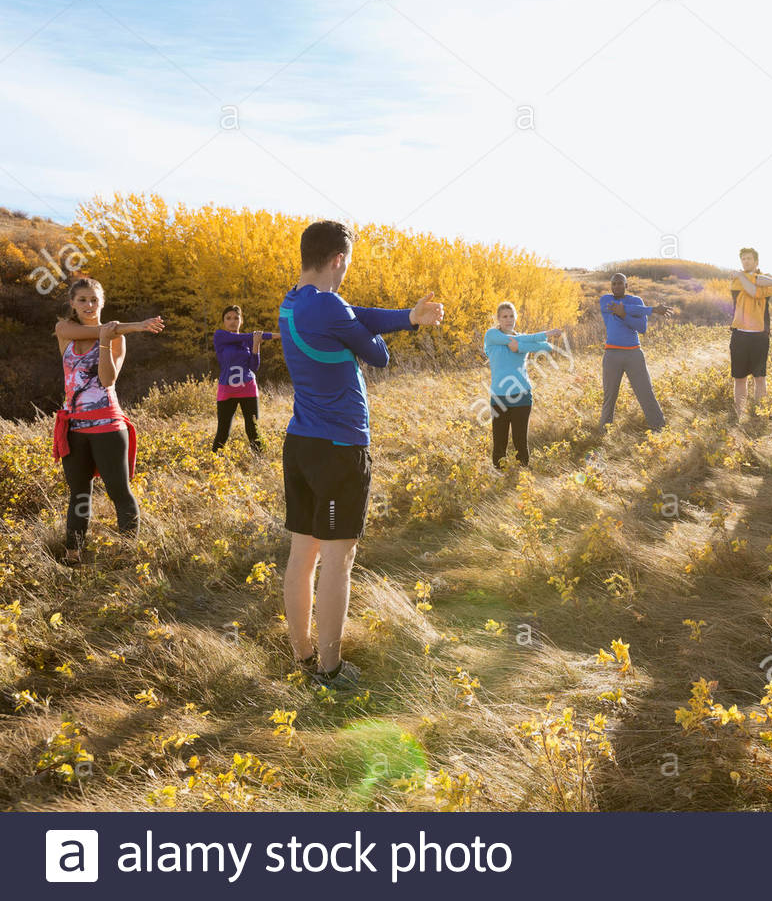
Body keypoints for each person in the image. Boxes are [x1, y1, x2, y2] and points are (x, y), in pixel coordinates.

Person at [279, 220, 444, 687]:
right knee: (338, 558)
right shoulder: (330, 306)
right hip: (339, 448)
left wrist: (407, 317)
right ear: (338, 259)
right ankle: (330, 670)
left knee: (302, 555)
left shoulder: (293, 302)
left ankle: (303, 657)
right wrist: (386, 333)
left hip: (302, 444)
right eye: (347, 261)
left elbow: (355, 313)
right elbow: (378, 355)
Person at [51, 277, 164, 564]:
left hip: (108, 426)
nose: (89, 305)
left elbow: (107, 380)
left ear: (102, 302)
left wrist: (106, 341)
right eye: (82, 300)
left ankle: (127, 553)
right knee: (79, 494)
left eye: (94, 300)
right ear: (72, 304)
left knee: (119, 492)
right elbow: (89, 330)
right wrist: (136, 325)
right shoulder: (64, 329)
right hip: (74, 427)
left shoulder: (116, 338)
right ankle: (73, 553)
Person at [483, 301, 561, 467]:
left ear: (516, 317)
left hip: (522, 396)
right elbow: (512, 340)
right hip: (499, 398)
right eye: (504, 316)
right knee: (499, 441)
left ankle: (522, 476)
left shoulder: (521, 339)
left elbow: (547, 346)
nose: (508, 320)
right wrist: (545, 333)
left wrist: (519, 347)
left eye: (512, 316)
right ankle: (499, 474)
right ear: (498, 318)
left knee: (520, 440)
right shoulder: (491, 336)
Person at [598, 272, 672, 432]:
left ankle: (659, 430)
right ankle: (603, 433)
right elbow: (628, 310)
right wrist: (651, 310)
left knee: (646, 393)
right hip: (612, 354)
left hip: (634, 354)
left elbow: (642, 328)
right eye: (614, 284)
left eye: (620, 283)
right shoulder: (605, 300)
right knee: (609, 397)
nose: (617, 286)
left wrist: (623, 314)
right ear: (611, 286)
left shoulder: (637, 301)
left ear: (626, 285)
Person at [212, 305, 280, 452]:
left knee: (253, 429)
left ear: (241, 321)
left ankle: (259, 463)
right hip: (226, 390)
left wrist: (256, 344)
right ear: (223, 321)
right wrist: (279, 335)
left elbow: (254, 367)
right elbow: (244, 336)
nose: (232, 321)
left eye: (236, 318)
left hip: (248, 387)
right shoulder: (220, 336)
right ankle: (212, 463)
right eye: (228, 318)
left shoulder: (249, 340)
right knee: (223, 432)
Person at [730, 247, 772, 415]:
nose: (746, 261)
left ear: (756, 261)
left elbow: (753, 290)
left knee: (760, 377)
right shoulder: (736, 280)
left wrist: (743, 276)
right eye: (743, 259)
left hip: (760, 335)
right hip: (740, 334)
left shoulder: (767, 279)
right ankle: (740, 414)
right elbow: (755, 288)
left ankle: (759, 414)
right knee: (739, 378)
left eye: (749, 259)